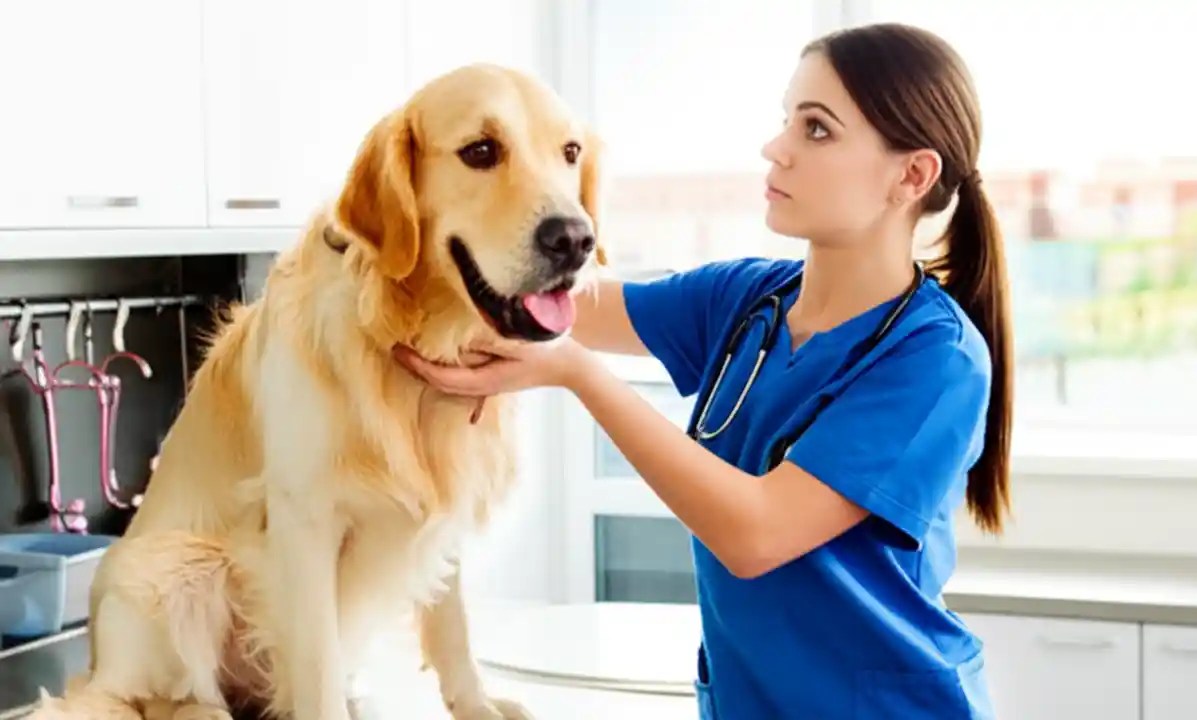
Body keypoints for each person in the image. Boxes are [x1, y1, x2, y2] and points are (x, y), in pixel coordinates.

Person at [397, 22, 1012, 720]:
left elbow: (756, 535)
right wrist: (392, 249)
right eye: (787, 119)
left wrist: (577, 373)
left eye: (817, 129)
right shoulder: (749, 299)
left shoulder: (936, 360)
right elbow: (564, 302)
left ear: (912, 175)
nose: (776, 147)